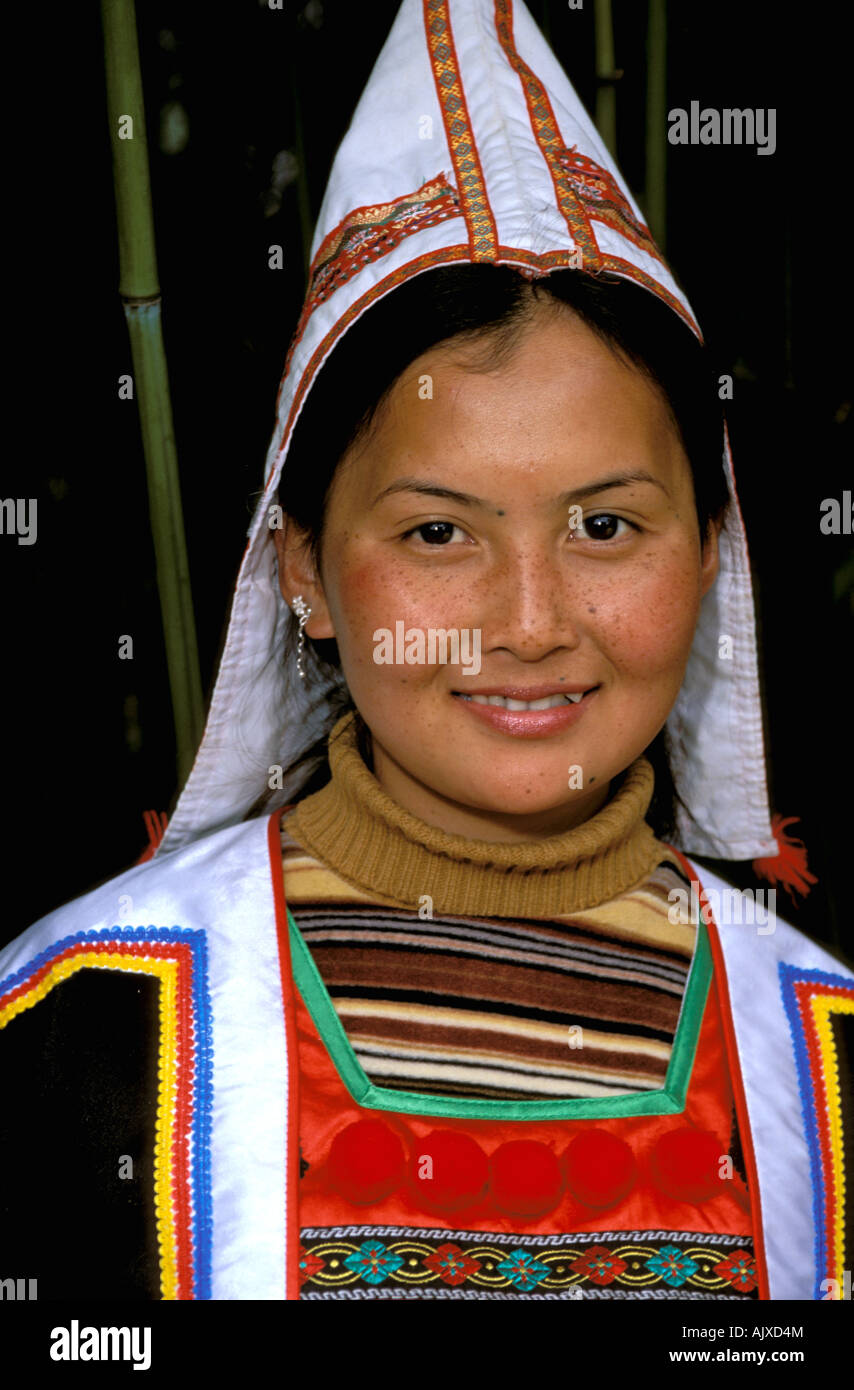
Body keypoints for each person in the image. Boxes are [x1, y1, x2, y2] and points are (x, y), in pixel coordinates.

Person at [1, 0, 851, 1303]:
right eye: (440, 529)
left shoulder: (820, 1046)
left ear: (709, 551)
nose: (526, 621)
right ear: (303, 569)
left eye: (606, 523)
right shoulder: (77, 1019)